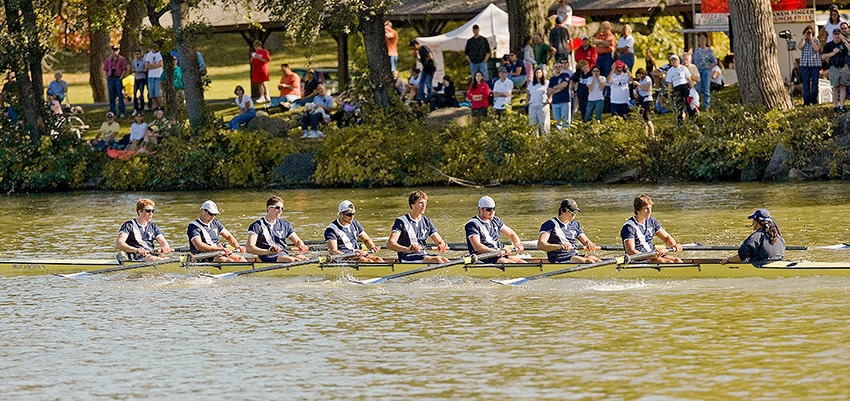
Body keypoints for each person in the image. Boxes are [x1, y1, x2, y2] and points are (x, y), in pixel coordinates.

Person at [386, 190, 450, 263]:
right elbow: (390, 244)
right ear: (412, 204)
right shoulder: (401, 221)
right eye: (421, 203)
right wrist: (407, 249)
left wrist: (442, 245)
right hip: (407, 256)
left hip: (423, 254)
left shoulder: (427, 221)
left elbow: (439, 241)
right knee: (437, 260)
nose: (424, 205)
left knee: (444, 260)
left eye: (425, 203)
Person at [620, 194, 683, 264]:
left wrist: (674, 245)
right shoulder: (629, 227)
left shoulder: (652, 221)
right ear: (638, 210)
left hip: (652, 255)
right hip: (638, 258)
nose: (649, 211)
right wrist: (652, 256)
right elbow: (630, 251)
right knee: (669, 262)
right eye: (646, 208)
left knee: (677, 260)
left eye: (650, 208)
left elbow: (666, 238)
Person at [246, 196, 310, 263]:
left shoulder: (285, 225)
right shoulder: (256, 226)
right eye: (277, 208)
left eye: (282, 208)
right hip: (268, 256)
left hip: (283, 253)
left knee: (304, 259)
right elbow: (249, 248)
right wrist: (268, 252)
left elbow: (297, 241)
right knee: (294, 260)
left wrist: (302, 246)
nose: (280, 211)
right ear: (269, 208)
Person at [464, 196, 526, 264]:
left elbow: (512, 234)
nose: (492, 212)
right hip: (482, 257)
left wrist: (518, 244)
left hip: (498, 254)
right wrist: (497, 251)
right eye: (489, 209)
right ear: (481, 209)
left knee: (522, 262)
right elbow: (477, 247)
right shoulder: (472, 224)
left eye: (493, 209)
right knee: (507, 262)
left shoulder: (496, 220)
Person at [537, 199, 601, 264]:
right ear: (562, 210)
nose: (573, 215)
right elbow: (541, 245)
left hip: (573, 255)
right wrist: (559, 246)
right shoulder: (549, 225)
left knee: (597, 260)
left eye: (575, 212)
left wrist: (590, 244)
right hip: (559, 258)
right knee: (589, 262)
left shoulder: (575, 224)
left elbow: (586, 241)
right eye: (570, 212)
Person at [721, 209, 785, 266]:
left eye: (753, 220)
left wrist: (728, 260)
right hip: (779, 263)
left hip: (761, 266)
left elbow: (740, 257)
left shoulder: (755, 237)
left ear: (756, 221)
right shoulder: (778, 236)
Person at [822, 28, 849, 113]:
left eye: (838, 34)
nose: (837, 36)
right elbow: (823, 57)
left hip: (844, 67)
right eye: (835, 34)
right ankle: (835, 106)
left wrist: (844, 40)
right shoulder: (829, 45)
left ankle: (842, 105)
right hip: (834, 67)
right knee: (835, 87)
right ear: (833, 35)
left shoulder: (845, 43)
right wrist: (832, 53)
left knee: (843, 86)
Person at [664, 54, 692, 125]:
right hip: (677, 87)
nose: (673, 61)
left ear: (678, 61)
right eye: (672, 60)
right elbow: (670, 84)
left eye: (675, 60)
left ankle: (692, 119)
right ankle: (680, 123)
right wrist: (670, 93)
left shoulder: (683, 68)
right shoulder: (670, 71)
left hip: (684, 86)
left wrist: (692, 88)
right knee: (679, 106)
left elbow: (689, 79)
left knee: (688, 103)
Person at [692, 33, 717, 110]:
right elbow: (693, 61)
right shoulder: (696, 51)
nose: (702, 43)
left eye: (703, 41)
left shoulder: (709, 51)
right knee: (698, 88)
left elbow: (715, 61)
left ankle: (706, 106)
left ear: (705, 42)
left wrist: (710, 66)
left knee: (706, 88)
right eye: (700, 41)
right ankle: (697, 105)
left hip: (706, 71)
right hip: (697, 71)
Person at [798, 25, 821, 106]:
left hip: (814, 64)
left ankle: (814, 100)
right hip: (805, 64)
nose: (808, 34)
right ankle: (806, 101)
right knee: (805, 83)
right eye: (807, 32)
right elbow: (800, 47)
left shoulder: (816, 40)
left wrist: (811, 40)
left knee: (815, 83)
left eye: (810, 32)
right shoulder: (803, 40)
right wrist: (804, 39)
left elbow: (817, 49)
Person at [104, 45, 128, 118]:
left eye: (116, 50)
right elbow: (105, 69)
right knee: (111, 96)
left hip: (118, 78)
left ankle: (121, 112)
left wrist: (121, 77)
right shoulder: (108, 60)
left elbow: (124, 69)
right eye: (114, 50)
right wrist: (107, 77)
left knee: (120, 96)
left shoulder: (122, 59)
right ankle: (112, 111)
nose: (115, 52)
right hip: (110, 78)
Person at [548, 61, 572, 128]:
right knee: (557, 123)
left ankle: (566, 137)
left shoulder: (565, 75)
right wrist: (558, 88)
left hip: (565, 101)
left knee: (566, 122)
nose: (558, 68)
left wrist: (554, 88)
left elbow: (564, 85)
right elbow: (549, 90)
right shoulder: (552, 79)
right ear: (553, 68)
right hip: (555, 102)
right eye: (556, 67)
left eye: (559, 67)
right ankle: (561, 136)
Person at [527, 67, 550, 135]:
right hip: (533, 106)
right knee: (533, 125)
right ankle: (535, 141)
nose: (537, 74)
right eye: (536, 73)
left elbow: (550, 92)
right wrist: (527, 101)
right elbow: (528, 94)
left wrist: (549, 100)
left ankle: (546, 140)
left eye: (539, 72)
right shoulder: (531, 83)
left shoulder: (546, 82)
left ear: (542, 73)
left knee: (544, 125)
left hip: (542, 106)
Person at [634, 68, 655, 136]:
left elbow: (646, 88)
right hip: (641, 100)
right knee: (643, 119)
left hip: (647, 100)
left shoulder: (647, 79)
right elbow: (637, 88)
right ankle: (645, 134)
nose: (638, 77)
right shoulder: (640, 80)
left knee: (647, 117)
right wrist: (636, 93)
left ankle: (652, 134)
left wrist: (639, 84)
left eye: (639, 75)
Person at [144, 43, 164, 110]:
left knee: (158, 93)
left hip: (158, 75)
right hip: (151, 76)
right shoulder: (148, 55)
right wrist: (155, 65)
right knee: (151, 94)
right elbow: (147, 66)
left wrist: (152, 66)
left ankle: (161, 107)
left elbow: (161, 64)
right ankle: (155, 107)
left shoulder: (159, 54)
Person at [130, 50, 147, 115]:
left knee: (141, 93)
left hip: (142, 78)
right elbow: (133, 69)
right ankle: (135, 108)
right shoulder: (134, 61)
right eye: (136, 54)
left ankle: (142, 108)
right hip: (136, 78)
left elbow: (145, 69)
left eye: (138, 54)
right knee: (135, 94)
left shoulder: (143, 61)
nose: (137, 56)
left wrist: (140, 71)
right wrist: (134, 71)